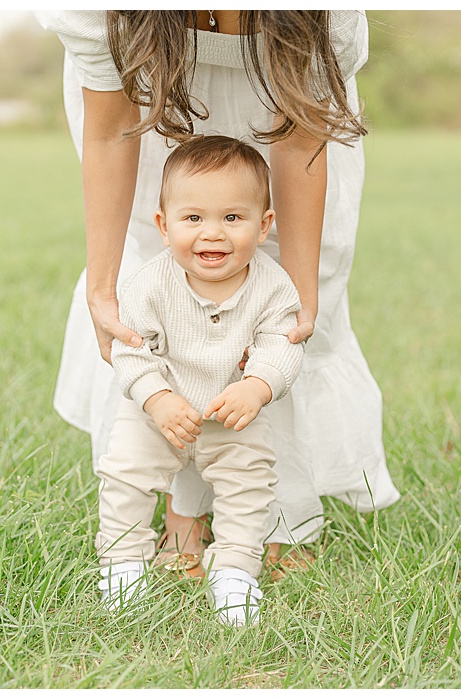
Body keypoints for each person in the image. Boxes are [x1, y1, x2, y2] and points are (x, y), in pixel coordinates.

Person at [36, 10, 400, 577]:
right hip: (156, 118)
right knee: (169, 303)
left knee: (292, 320)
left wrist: (300, 294)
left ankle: (281, 517)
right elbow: (109, 130)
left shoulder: (321, 15)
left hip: (293, 131)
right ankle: (183, 514)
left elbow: (300, 139)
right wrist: (103, 287)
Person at [98, 136, 302, 626]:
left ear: (264, 225)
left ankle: (234, 570)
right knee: (125, 475)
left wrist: (257, 386)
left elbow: (283, 343)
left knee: (249, 486)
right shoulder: (150, 283)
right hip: (158, 413)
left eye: (232, 217)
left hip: (231, 414)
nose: (213, 233)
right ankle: (123, 563)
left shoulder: (273, 285)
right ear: (164, 226)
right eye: (193, 218)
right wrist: (156, 398)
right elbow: (129, 348)